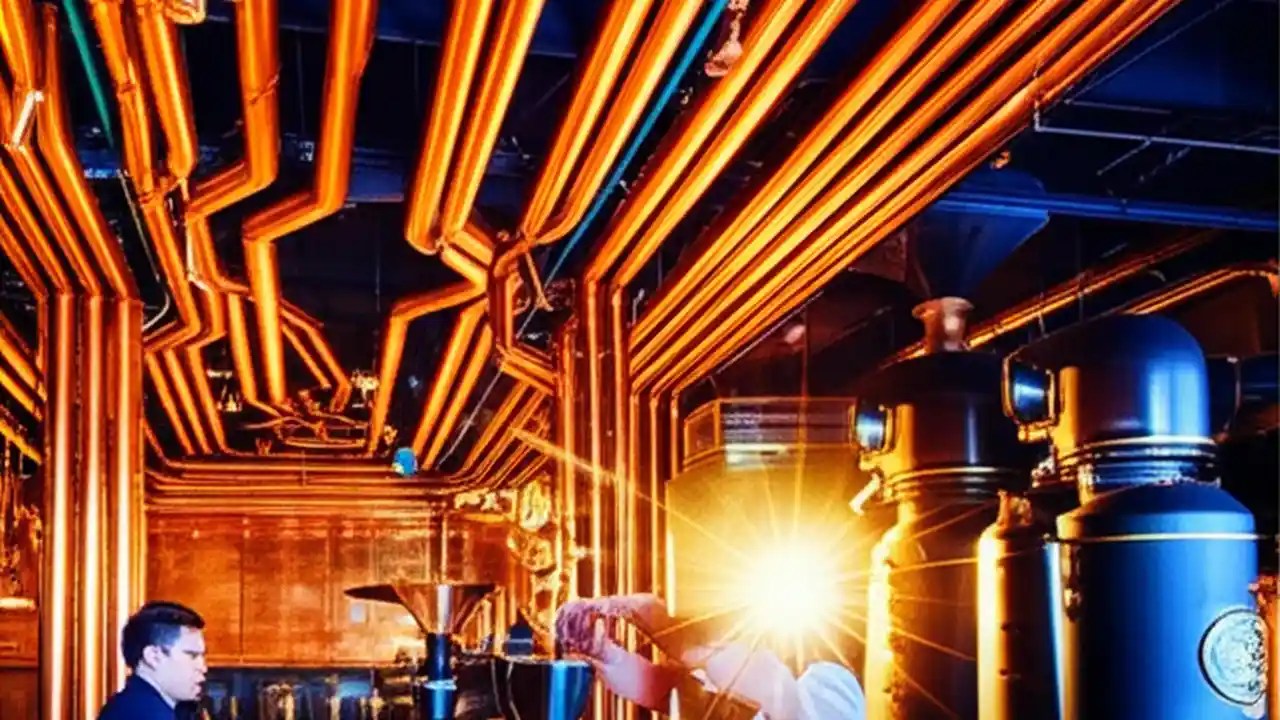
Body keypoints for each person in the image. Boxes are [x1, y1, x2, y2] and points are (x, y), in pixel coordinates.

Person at [556, 593, 864, 720]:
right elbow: (658, 685)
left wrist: (607, 640)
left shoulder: (821, 690)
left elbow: (663, 682)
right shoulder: (828, 691)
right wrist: (605, 652)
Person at [97, 601, 208, 720]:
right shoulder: (145, 714)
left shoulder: (128, 706)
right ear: (153, 656)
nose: (203, 667)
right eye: (192, 655)